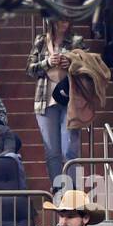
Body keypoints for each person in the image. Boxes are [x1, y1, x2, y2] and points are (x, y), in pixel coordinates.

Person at [28, 17, 82, 184]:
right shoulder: (41, 40)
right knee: (52, 152)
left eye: (66, 19)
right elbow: (30, 69)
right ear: (52, 21)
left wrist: (71, 62)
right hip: (44, 99)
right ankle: (59, 191)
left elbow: (89, 66)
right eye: (60, 19)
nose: (64, 22)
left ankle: (73, 192)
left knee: (70, 149)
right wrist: (47, 62)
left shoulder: (76, 40)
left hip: (70, 98)